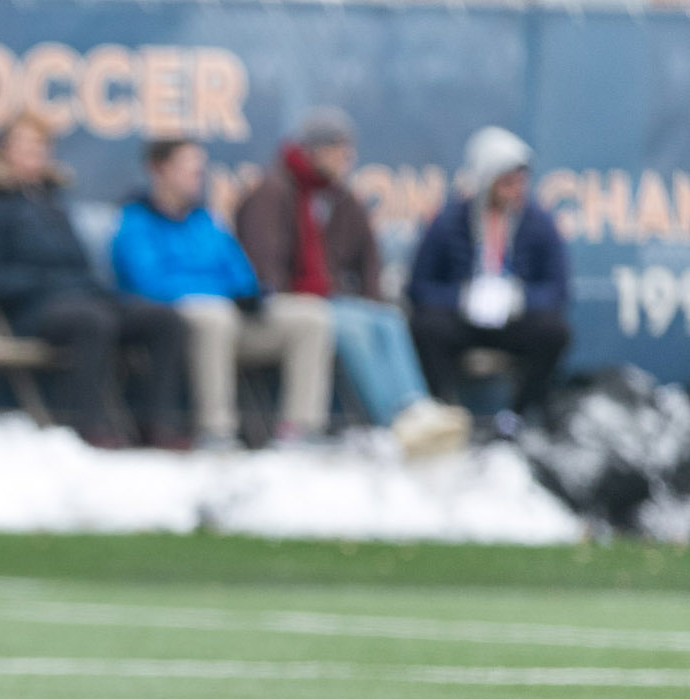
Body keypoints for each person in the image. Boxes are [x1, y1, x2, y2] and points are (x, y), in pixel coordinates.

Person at [235, 108, 471, 457]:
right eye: (341, 149)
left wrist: (371, 298)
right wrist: (293, 295)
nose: (349, 158)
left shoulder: (341, 198)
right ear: (316, 150)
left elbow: (368, 257)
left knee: (386, 319)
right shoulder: (273, 191)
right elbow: (261, 260)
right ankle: (393, 421)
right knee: (352, 326)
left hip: (330, 298)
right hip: (289, 300)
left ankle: (416, 407)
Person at [0, 114, 189, 448]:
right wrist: (39, 283)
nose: (34, 154)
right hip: (31, 311)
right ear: (2, 152)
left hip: (81, 297)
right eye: (24, 146)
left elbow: (78, 263)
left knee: (164, 319)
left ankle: (155, 423)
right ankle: (89, 425)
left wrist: (91, 288)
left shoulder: (54, 203)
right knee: (94, 321)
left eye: (40, 146)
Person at [112, 137, 336, 450]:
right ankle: (216, 431)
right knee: (214, 316)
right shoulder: (134, 221)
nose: (197, 177)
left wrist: (250, 295)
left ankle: (301, 429)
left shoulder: (206, 221)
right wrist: (221, 296)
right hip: (180, 320)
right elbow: (148, 283)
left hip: (228, 317)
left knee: (311, 317)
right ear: (159, 170)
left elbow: (240, 272)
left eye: (200, 170)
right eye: (188, 169)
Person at [408, 126, 571, 436]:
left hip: (514, 321)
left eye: (521, 181)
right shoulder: (449, 221)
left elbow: (558, 289)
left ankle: (519, 416)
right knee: (425, 327)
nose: (516, 189)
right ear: (486, 180)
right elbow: (419, 286)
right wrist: (462, 298)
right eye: (507, 181)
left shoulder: (540, 223)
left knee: (554, 332)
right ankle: (444, 412)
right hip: (462, 321)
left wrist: (519, 299)